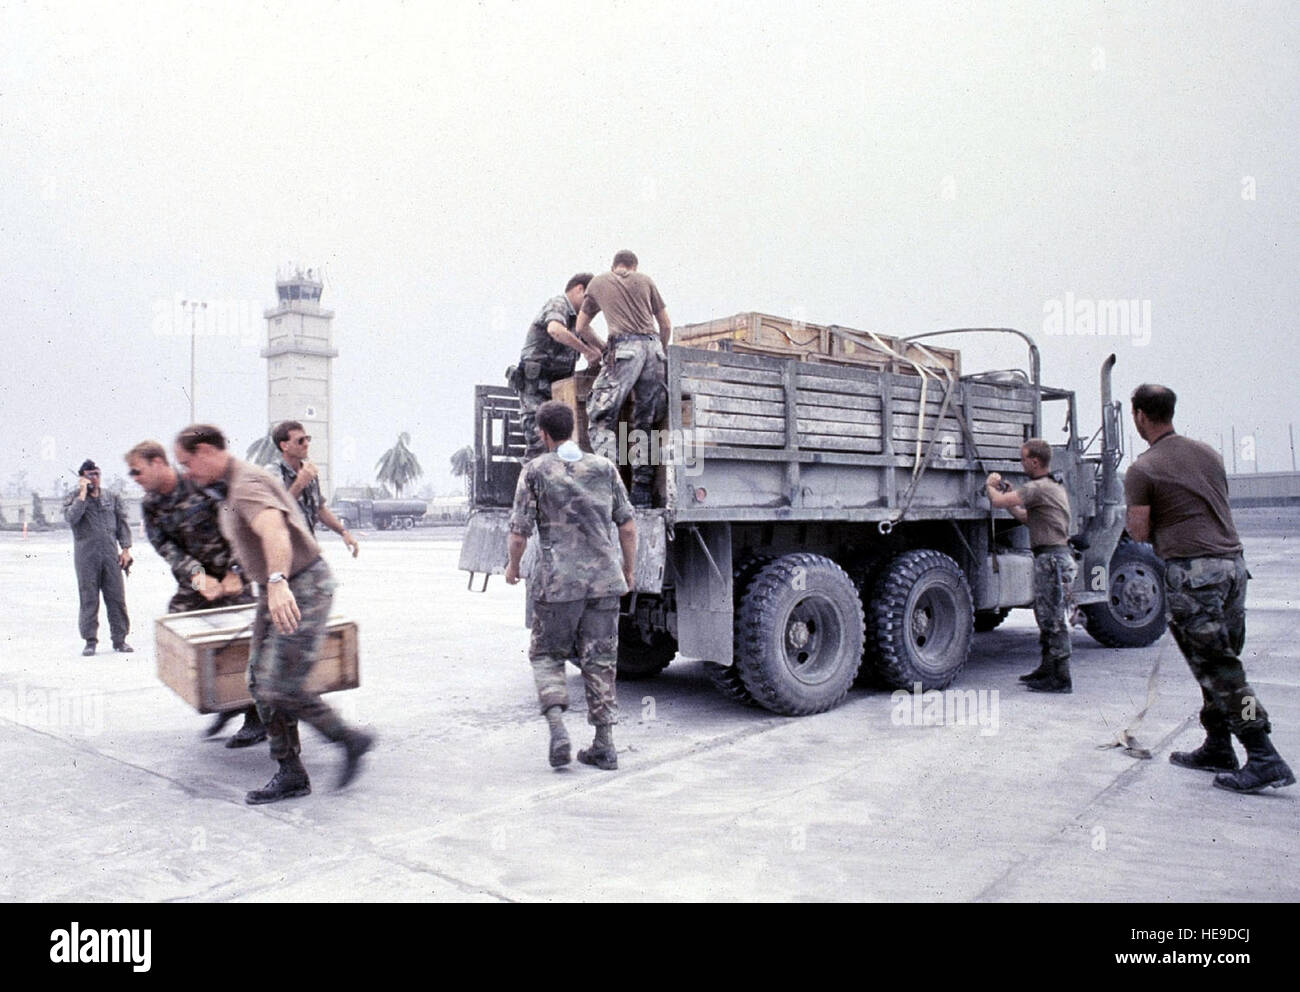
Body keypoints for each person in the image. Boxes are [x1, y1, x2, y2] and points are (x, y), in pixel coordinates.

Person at [174, 424, 373, 804]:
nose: (187, 472)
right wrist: (241, 577)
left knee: (280, 685)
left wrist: (278, 580)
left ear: (205, 452)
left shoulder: (246, 483)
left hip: (301, 586)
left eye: (187, 463)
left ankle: (350, 741)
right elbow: (250, 539)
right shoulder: (229, 488)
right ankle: (291, 772)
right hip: (275, 589)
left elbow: (274, 531)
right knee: (257, 682)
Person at [1125, 384, 1293, 794]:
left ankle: (1263, 753)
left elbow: (1140, 532)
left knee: (1221, 669)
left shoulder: (1142, 469)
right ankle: (1218, 745)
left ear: (1140, 416)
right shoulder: (1209, 453)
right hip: (1233, 568)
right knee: (1218, 662)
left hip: (1193, 573)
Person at [505, 400, 637, 770]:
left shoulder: (535, 471)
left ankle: (558, 727)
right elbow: (627, 526)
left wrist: (513, 568)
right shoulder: (603, 467)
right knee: (601, 661)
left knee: (547, 655)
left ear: (543, 434)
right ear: (574, 430)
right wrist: (628, 571)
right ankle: (605, 745)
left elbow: (518, 533)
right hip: (604, 583)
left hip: (558, 585)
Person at [125, 440, 265, 748]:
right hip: (197, 582)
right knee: (179, 630)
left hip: (232, 575)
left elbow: (242, 526)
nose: (134, 478)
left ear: (158, 462)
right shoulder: (151, 504)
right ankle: (227, 701)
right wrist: (198, 577)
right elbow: (165, 546)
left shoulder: (200, 484)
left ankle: (255, 717)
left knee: (243, 643)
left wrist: (236, 573)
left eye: (137, 470)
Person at [573, 250, 672, 507]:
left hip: (624, 349)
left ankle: (612, 486)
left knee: (600, 416)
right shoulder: (646, 280)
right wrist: (659, 352)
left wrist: (603, 349)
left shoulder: (598, 282)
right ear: (633, 266)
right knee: (646, 422)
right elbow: (666, 325)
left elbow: (581, 327)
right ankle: (641, 492)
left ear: (613, 265)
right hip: (653, 351)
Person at [986, 439, 1078, 692]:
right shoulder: (1048, 487)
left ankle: (1060, 677)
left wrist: (990, 486)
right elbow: (1027, 517)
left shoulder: (1038, 487)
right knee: (1046, 617)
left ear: (1035, 462)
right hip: (1052, 558)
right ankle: (1048, 669)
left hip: (1052, 560)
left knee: (1054, 619)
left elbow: (997, 502)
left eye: (1023, 459)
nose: (1021, 463)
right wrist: (1011, 497)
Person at [509, 273, 598, 460]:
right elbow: (555, 330)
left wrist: (602, 350)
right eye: (591, 300)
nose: (594, 308)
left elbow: (594, 344)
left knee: (562, 449)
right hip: (535, 387)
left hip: (557, 392)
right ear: (579, 289)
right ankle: (529, 488)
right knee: (539, 444)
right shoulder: (559, 304)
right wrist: (587, 351)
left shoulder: (578, 322)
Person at [63, 459, 133, 656]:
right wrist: (83, 495)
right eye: (90, 475)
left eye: (97, 474)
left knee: (117, 597)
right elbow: (71, 518)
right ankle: (90, 641)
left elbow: (122, 524)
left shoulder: (111, 497)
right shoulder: (73, 498)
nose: (95, 478)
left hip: (110, 555)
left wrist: (125, 549)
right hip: (86, 557)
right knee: (89, 599)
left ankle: (120, 640)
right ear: (82, 478)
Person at [272, 421, 359, 557]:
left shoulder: (309, 472)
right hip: (283, 553)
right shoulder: (274, 472)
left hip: (307, 550)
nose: (306, 444)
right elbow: (277, 511)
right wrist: (300, 483)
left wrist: (343, 532)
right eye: (300, 441)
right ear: (284, 446)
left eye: (307, 439)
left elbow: (319, 508)